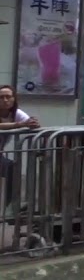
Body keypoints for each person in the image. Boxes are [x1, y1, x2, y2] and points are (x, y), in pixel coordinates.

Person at [0, 85, 39, 219]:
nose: (5, 100)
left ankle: (10, 206)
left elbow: (28, 122)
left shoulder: (16, 113)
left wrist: (33, 123)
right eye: (1, 97)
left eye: (8, 97)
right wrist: (19, 125)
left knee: (12, 168)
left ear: (14, 99)